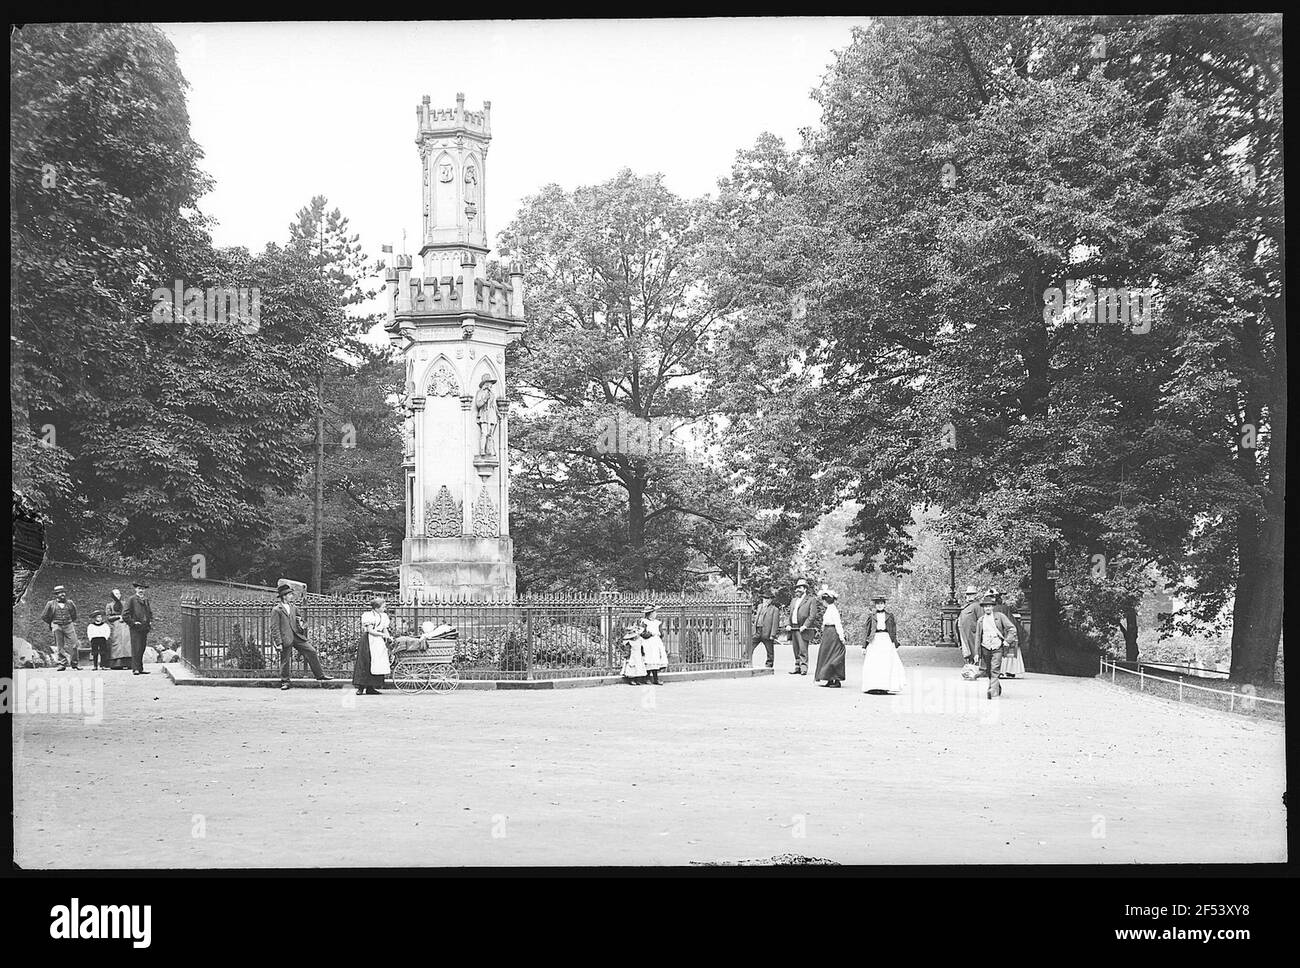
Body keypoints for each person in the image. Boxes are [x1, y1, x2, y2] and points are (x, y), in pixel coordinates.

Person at [271, 581, 332, 690]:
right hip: (286, 638)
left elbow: (301, 620)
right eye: (289, 594)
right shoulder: (277, 610)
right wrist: (278, 642)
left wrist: (302, 624)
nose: (291, 596)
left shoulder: (294, 608)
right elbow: (274, 627)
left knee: (311, 651)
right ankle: (285, 682)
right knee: (285, 660)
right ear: (284, 596)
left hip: (297, 636)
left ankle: (320, 675)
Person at [974, 594, 1018, 699]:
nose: (987, 608)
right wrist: (976, 653)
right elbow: (977, 638)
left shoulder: (1000, 616)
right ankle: (996, 687)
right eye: (985, 606)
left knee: (995, 669)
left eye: (989, 606)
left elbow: (1012, 629)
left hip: (997, 647)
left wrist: (1007, 641)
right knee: (988, 670)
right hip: (985, 647)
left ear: (993, 607)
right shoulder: (980, 620)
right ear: (983, 608)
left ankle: (992, 691)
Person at [861, 595, 905, 694]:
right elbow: (867, 631)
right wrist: (864, 646)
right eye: (878, 604)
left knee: (885, 662)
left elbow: (893, 631)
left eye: (881, 603)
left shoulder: (890, 616)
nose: (880, 606)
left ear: (884, 605)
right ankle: (873, 686)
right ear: (875, 605)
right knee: (874, 662)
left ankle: (884, 686)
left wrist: (895, 643)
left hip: (886, 640)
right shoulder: (871, 616)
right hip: (875, 640)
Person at [353, 596, 392, 695]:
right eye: (383, 607)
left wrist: (388, 637)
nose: (384, 609)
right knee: (366, 662)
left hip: (378, 641)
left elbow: (384, 629)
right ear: (376, 608)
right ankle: (361, 687)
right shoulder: (369, 616)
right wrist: (382, 635)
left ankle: (371, 687)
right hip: (368, 640)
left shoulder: (383, 616)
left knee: (377, 662)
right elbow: (370, 631)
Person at [788, 579, 823, 676]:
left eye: (799, 588)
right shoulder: (794, 600)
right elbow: (790, 614)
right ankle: (797, 667)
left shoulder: (811, 600)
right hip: (794, 627)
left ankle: (804, 668)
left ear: (805, 589)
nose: (797, 590)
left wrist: (805, 625)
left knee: (803, 649)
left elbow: (812, 615)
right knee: (795, 648)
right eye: (796, 588)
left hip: (803, 628)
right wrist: (788, 624)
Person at [41, 585, 80, 670]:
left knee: (75, 643)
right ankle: (62, 664)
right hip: (57, 625)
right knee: (60, 645)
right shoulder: (50, 604)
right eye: (60, 593)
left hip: (69, 624)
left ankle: (75, 663)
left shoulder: (70, 603)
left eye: (63, 592)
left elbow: (74, 614)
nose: (62, 594)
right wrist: (52, 623)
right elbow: (44, 616)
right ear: (56, 595)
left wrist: (69, 621)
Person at [813, 588, 846, 688]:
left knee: (833, 655)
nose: (823, 603)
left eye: (823, 600)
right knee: (827, 654)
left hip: (833, 634)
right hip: (828, 634)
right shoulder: (829, 609)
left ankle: (836, 679)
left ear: (825, 601)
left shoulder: (833, 610)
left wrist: (841, 636)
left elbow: (838, 624)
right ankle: (829, 678)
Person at [123, 581, 154, 675]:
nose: (141, 590)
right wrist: (133, 623)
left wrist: (150, 621)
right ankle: (135, 668)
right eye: (139, 588)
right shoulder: (131, 599)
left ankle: (140, 668)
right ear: (135, 589)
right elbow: (125, 614)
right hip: (136, 628)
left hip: (144, 627)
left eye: (143, 589)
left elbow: (149, 612)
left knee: (142, 648)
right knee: (136, 647)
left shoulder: (146, 600)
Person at [749, 589, 780, 668]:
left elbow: (775, 623)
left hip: (767, 632)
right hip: (757, 631)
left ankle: (769, 664)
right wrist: (754, 629)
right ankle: (747, 661)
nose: (765, 600)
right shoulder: (760, 606)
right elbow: (756, 618)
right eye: (764, 598)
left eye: (768, 598)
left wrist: (773, 634)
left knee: (769, 650)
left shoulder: (775, 609)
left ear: (771, 600)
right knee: (750, 647)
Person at [639, 604, 667, 685]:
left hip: (656, 643)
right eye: (654, 613)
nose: (656, 614)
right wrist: (650, 634)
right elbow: (642, 633)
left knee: (655, 659)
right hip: (647, 643)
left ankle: (656, 679)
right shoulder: (644, 622)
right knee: (648, 659)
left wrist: (660, 634)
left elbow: (661, 633)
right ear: (650, 614)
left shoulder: (657, 623)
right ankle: (646, 678)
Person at [105, 589, 133, 670]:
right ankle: (116, 663)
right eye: (116, 594)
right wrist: (117, 617)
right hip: (115, 625)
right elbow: (108, 617)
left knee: (127, 642)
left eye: (119, 593)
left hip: (125, 625)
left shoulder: (125, 603)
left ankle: (128, 662)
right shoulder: (109, 605)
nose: (118, 595)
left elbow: (129, 613)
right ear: (112, 595)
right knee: (117, 643)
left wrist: (124, 617)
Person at [956, 585, 980, 665]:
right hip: (964, 633)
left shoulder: (977, 606)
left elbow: (981, 620)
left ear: (975, 595)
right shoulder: (966, 606)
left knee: (974, 652)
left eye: (972, 594)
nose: (969, 596)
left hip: (973, 634)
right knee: (967, 652)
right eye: (968, 594)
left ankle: (976, 668)